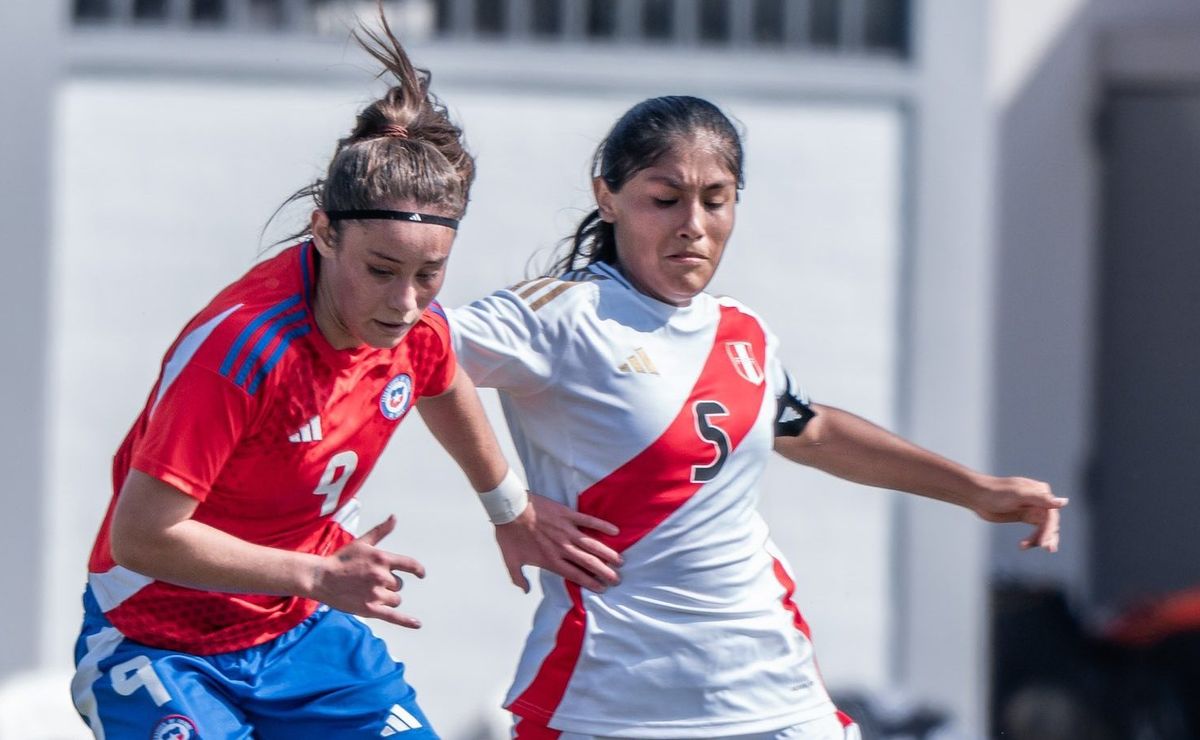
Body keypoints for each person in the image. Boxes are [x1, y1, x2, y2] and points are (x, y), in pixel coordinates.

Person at [448, 95, 1067, 739]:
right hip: (607, 700)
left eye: (715, 199)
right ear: (606, 197)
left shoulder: (742, 332)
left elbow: (814, 432)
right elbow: (414, 352)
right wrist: (508, 504)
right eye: (665, 199)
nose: (693, 223)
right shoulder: (563, 315)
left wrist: (977, 490)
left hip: (774, 690)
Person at [69, 17, 620, 740]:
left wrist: (509, 507)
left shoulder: (412, 324)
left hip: (297, 634)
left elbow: (443, 375)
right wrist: (318, 576)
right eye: (382, 271)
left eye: (430, 274)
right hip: (157, 638)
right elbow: (141, 536)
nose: (406, 303)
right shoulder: (243, 351)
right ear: (325, 232)